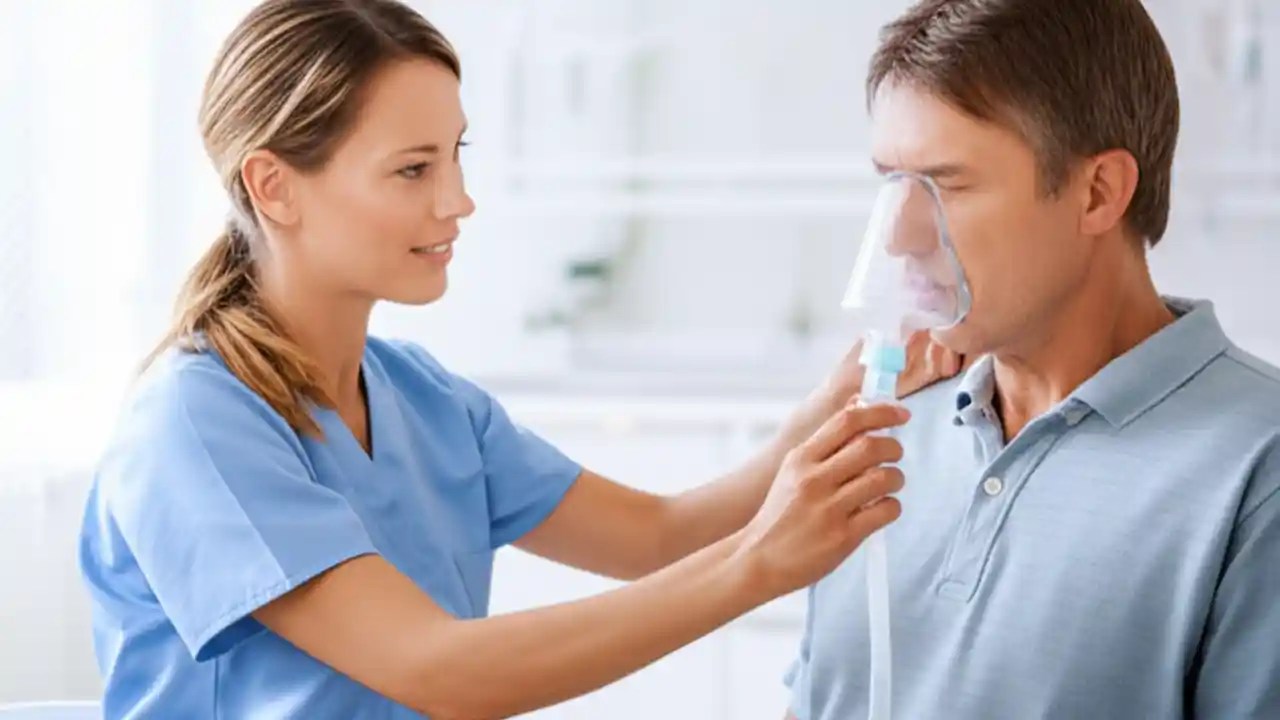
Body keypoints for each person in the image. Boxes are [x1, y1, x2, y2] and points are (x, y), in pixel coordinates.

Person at [76, 2, 962, 718]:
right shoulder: (195, 422)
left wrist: (833, 406)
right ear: (275, 186)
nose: (458, 200)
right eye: (412, 170)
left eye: (455, 156)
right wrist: (757, 567)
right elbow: (439, 673)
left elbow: (658, 536)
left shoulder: (422, 399)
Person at [783, 1, 1280, 719]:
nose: (897, 236)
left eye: (944, 185)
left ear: (1098, 192)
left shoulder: (1255, 472)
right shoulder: (881, 434)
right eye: (890, 182)